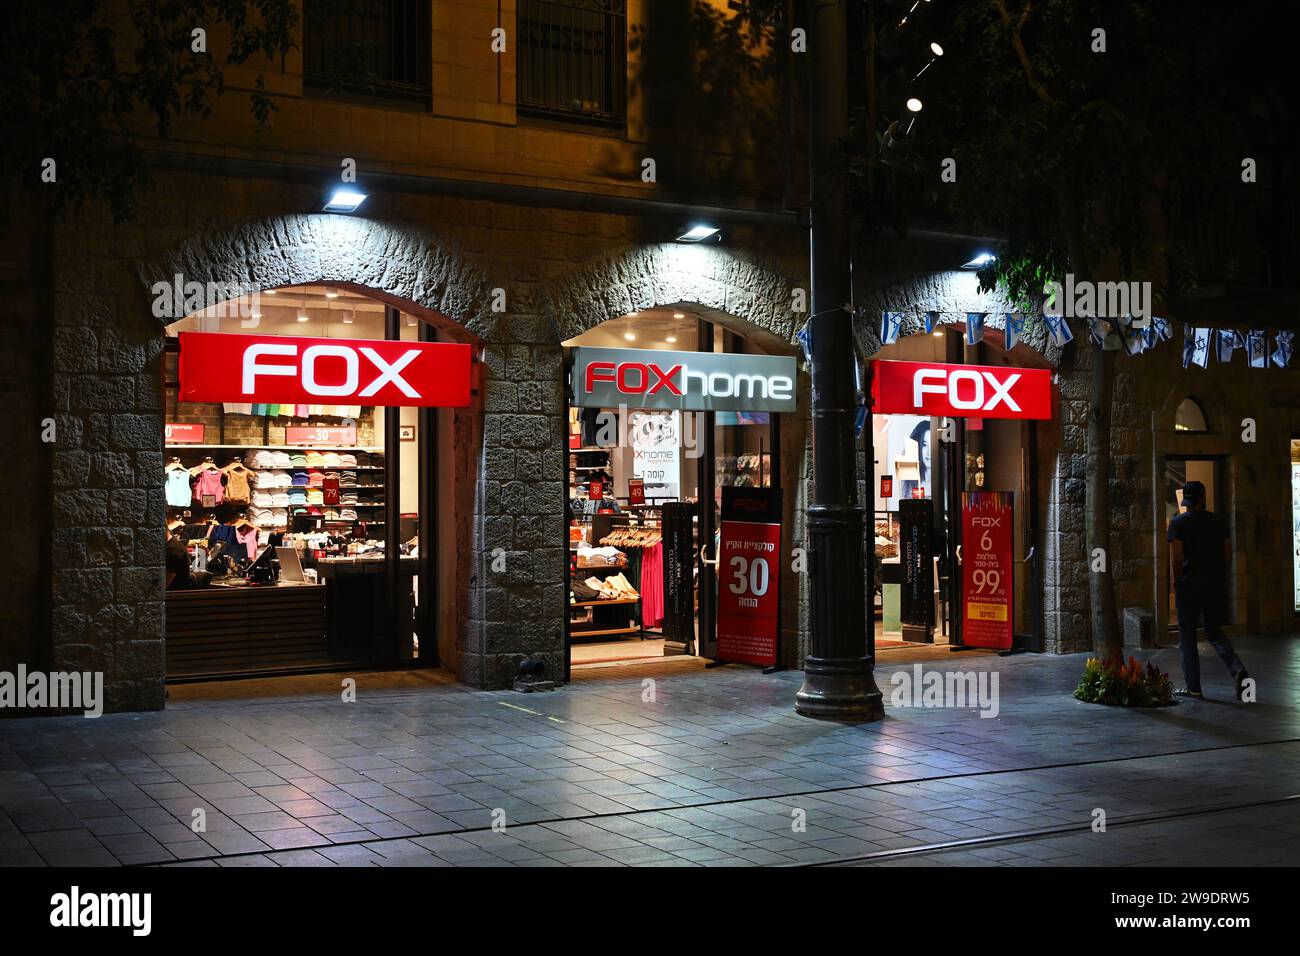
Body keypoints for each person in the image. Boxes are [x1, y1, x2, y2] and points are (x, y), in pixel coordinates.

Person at [1167, 480, 1249, 700]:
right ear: (1203, 497)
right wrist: (1221, 577)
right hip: (1213, 585)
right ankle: (1236, 667)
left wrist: (1176, 581)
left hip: (1189, 586)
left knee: (1187, 638)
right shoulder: (1218, 522)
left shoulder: (1178, 524)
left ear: (1187, 500)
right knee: (1214, 631)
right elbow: (1228, 555)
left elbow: (1176, 558)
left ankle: (1194, 688)